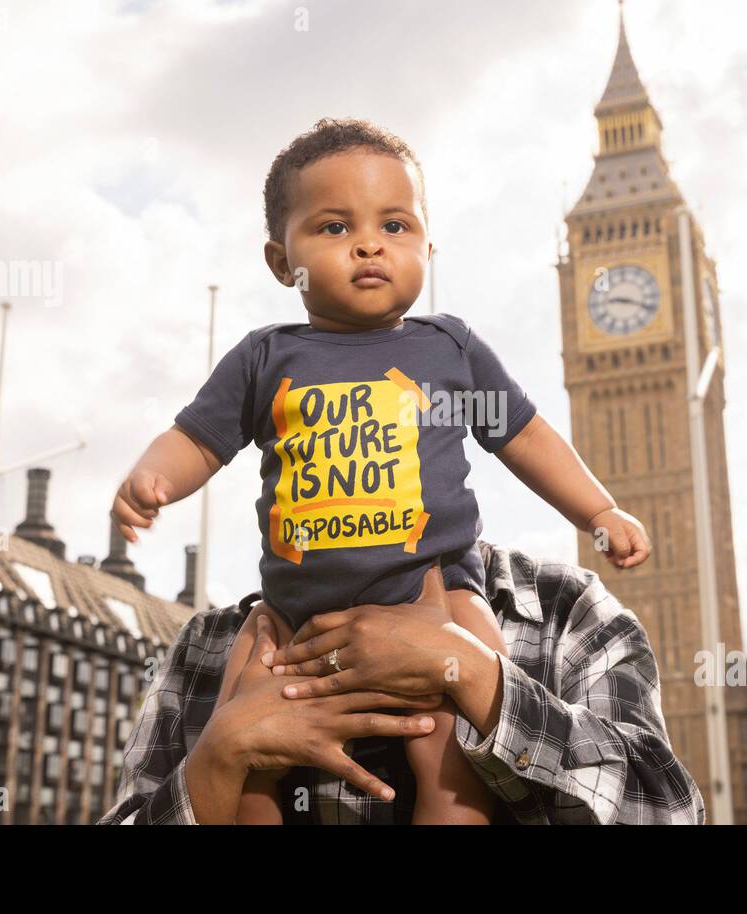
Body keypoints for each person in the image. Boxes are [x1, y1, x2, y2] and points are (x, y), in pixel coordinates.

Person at [109, 117, 651, 824]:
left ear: (427, 245)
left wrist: (598, 510)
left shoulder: (450, 349)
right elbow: (195, 438)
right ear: (281, 262)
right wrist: (153, 480)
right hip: (291, 621)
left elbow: (525, 435)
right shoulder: (261, 358)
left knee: (454, 762)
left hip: (437, 599)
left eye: (395, 225)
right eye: (334, 228)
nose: (368, 243)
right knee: (239, 743)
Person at [98, 541, 706, 825]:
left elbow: (669, 814)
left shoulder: (561, 612)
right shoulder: (211, 646)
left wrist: (479, 680)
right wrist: (218, 764)